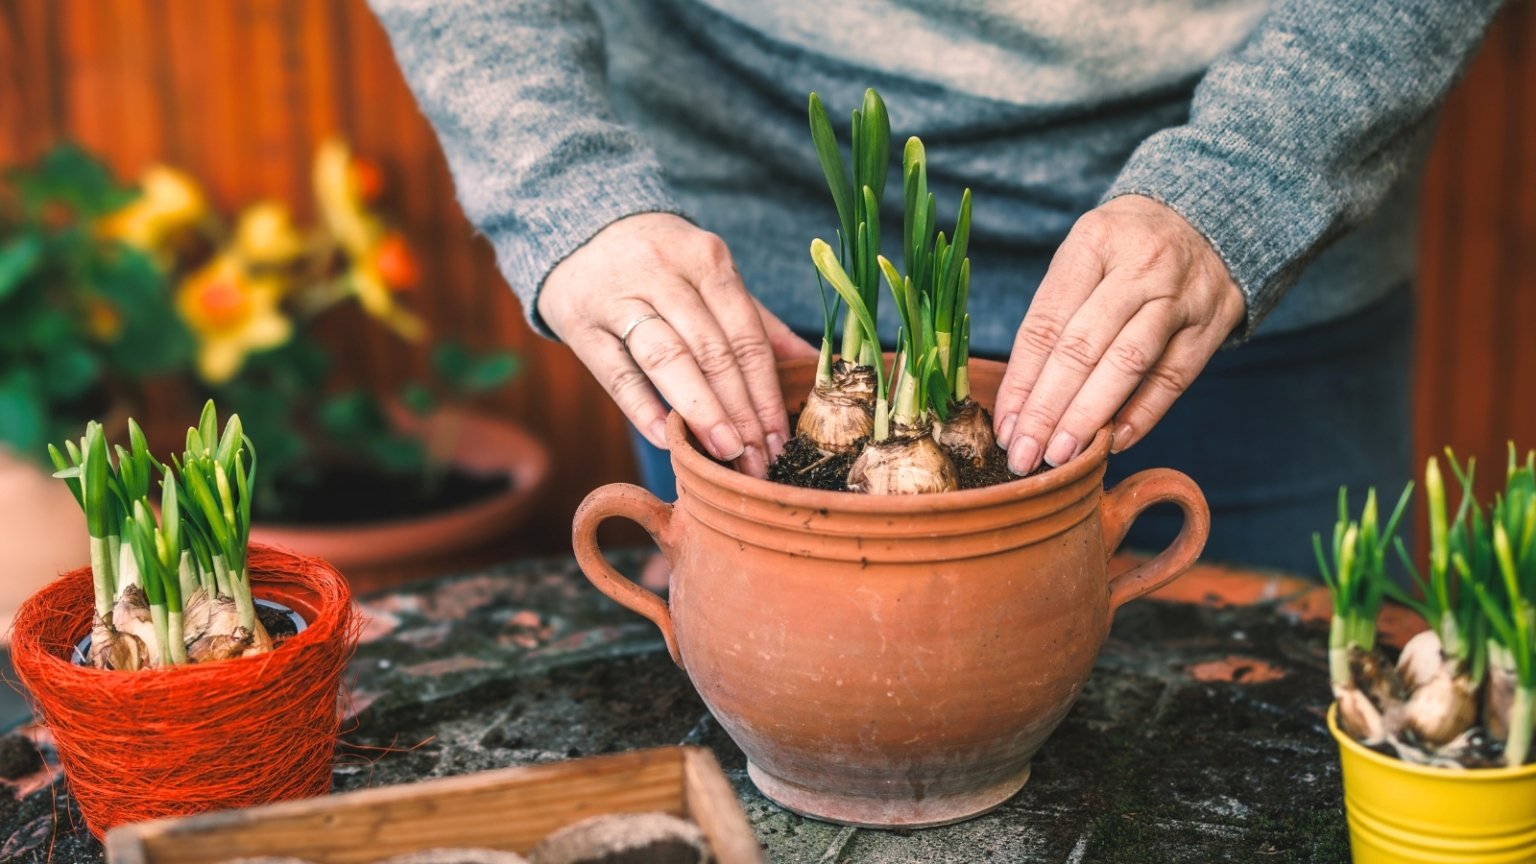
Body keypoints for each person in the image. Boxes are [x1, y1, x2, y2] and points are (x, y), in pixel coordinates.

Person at [367, 0, 1504, 575]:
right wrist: (569, 194)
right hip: (742, 295)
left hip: (1240, 280)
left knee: (1270, 738)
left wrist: (1247, 183)